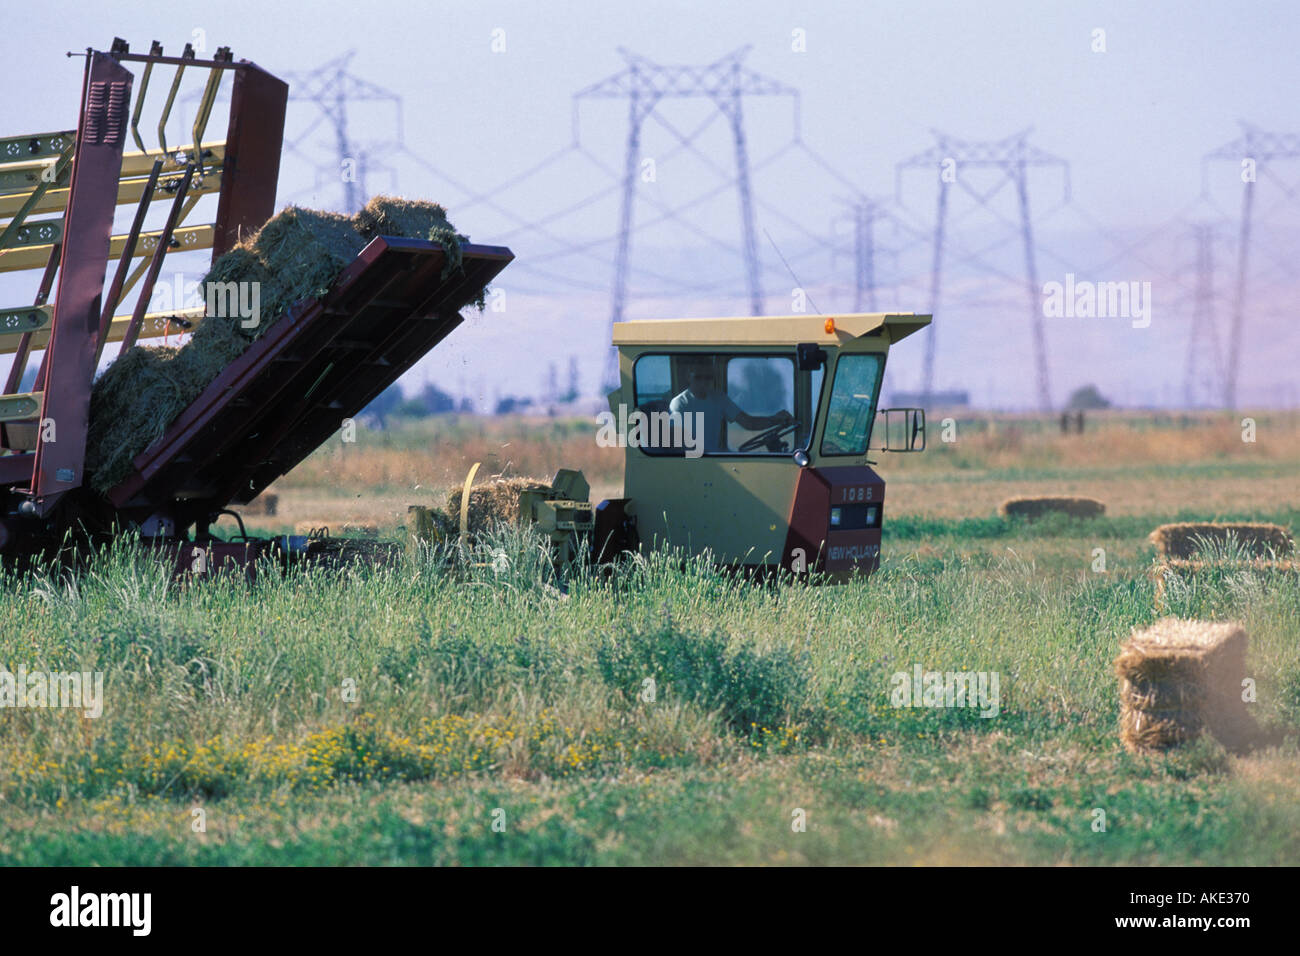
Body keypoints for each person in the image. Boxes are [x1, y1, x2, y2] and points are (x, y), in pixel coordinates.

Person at [669, 362, 794, 454]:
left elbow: (749, 423)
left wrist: (776, 419)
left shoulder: (718, 398)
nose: (703, 381)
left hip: (713, 459)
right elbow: (677, 444)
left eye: (708, 377)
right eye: (698, 377)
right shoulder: (680, 404)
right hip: (691, 462)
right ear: (688, 377)